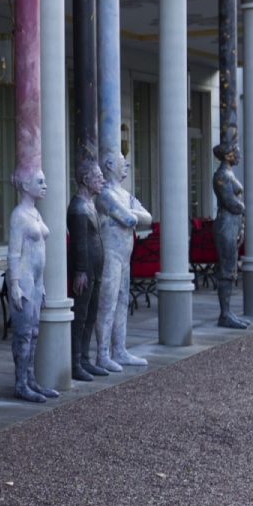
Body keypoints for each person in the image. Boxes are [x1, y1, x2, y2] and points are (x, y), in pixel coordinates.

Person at [95, 151, 151, 370]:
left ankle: (119, 349)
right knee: (107, 303)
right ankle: (102, 354)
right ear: (109, 165)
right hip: (110, 255)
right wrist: (130, 215)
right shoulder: (105, 194)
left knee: (122, 300)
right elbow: (130, 218)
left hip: (125, 255)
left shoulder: (124, 194)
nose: (126, 164)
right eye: (121, 162)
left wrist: (129, 215)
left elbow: (146, 217)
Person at [7, 166, 56, 403]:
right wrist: (14, 284)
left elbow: (40, 250)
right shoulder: (19, 215)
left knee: (35, 331)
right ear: (26, 186)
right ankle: (20, 383)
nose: (45, 185)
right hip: (24, 279)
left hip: (36, 280)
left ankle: (31, 379)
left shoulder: (35, 213)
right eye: (40, 181)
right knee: (24, 333)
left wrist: (43, 283)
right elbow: (14, 254)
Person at [66, 155, 107, 382]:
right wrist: (80, 271)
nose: (102, 180)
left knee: (91, 314)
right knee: (80, 316)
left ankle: (84, 358)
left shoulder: (90, 204)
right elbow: (79, 242)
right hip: (85, 270)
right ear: (85, 179)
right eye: (98, 177)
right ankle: (74, 362)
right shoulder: (78, 208)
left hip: (95, 268)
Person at [212, 142, 249, 329]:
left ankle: (228, 311)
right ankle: (224, 314)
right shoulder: (221, 176)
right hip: (226, 223)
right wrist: (243, 208)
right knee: (226, 268)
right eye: (237, 153)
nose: (239, 156)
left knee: (231, 268)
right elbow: (231, 202)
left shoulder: (229, 174)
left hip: (232, 223)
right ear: (228, 156)